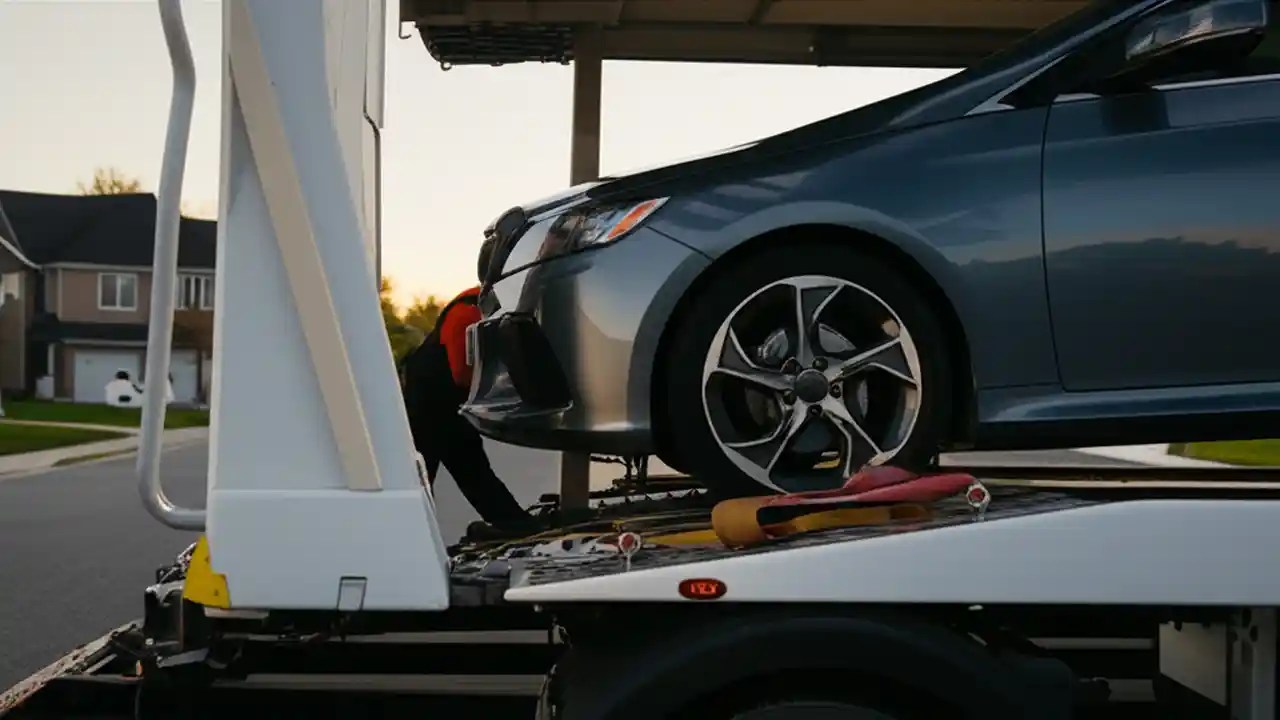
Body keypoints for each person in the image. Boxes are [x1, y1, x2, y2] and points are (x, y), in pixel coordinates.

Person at [399, 283, 539, 538]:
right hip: (432, 396)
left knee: (464, 466)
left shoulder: (479, 308)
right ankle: (514, 525)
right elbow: (461, 373)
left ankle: (514, 524)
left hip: (441, 395)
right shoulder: (466, 313)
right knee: (446, 467)